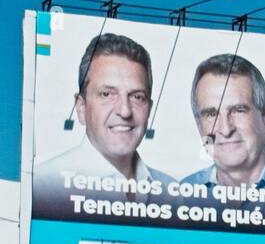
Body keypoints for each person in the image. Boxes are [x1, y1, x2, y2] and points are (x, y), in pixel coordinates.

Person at [32, 33, 177, 221]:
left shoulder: (175, 194)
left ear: (149, 109)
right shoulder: (44, 185)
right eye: (107, 94)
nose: (125, 111)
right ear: (81, 107)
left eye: (137, 96)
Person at [181, 53, 265, 236]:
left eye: (238, 110)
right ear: (199, 126)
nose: (226, 129)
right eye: (211, 114)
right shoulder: (182, 195)